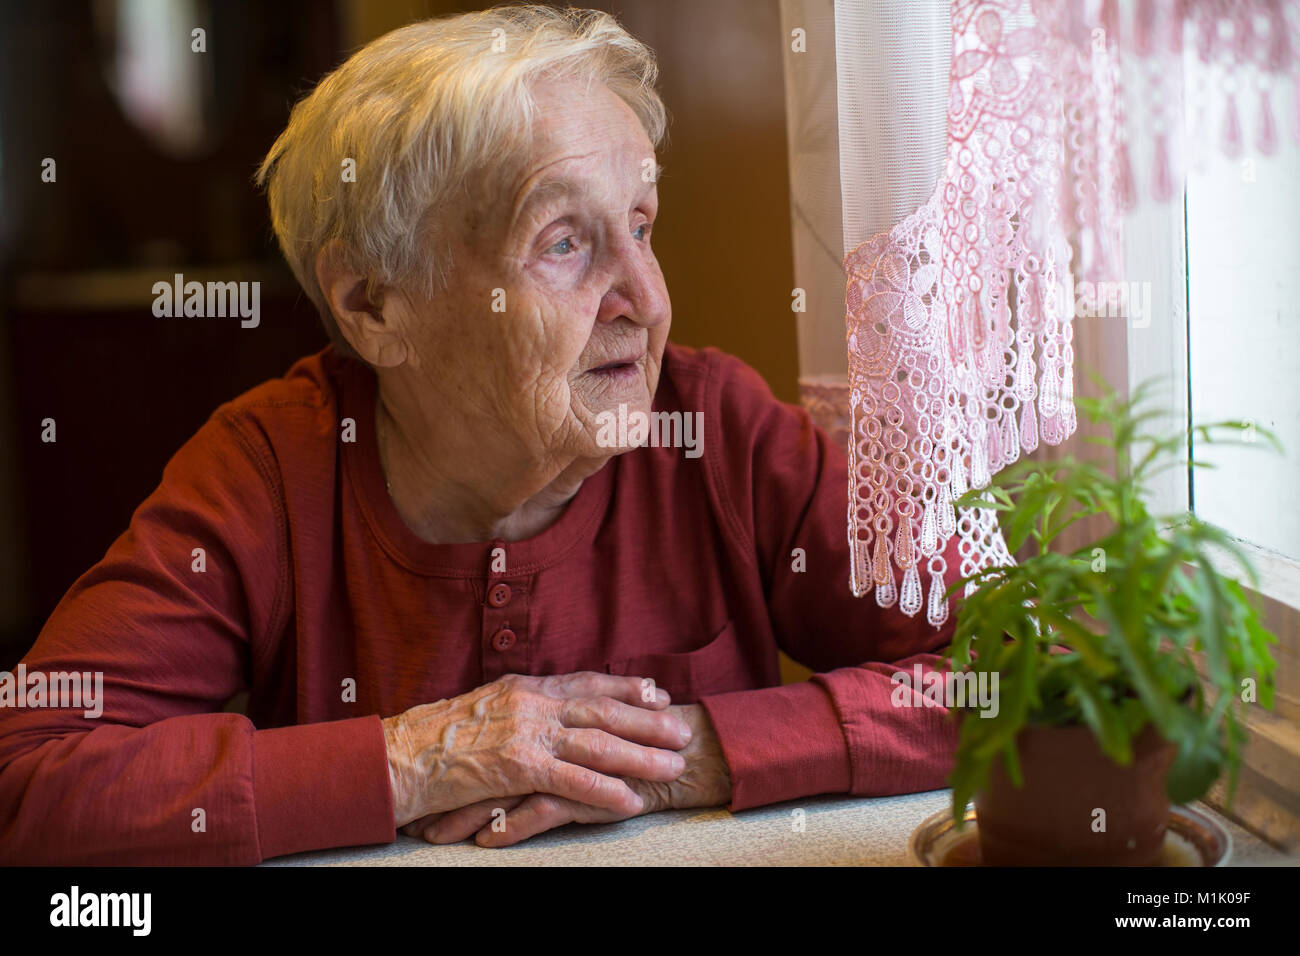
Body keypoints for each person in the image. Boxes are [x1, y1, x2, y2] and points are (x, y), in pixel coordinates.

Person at [0, 4, 964, 865]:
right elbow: (34, 773)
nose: (647, 300)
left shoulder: (716, 429)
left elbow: (1036, 674)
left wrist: (696, 750)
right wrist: (417, 757)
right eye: (564, 242)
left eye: (642, 224)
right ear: (374, 305)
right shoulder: (271, 470)